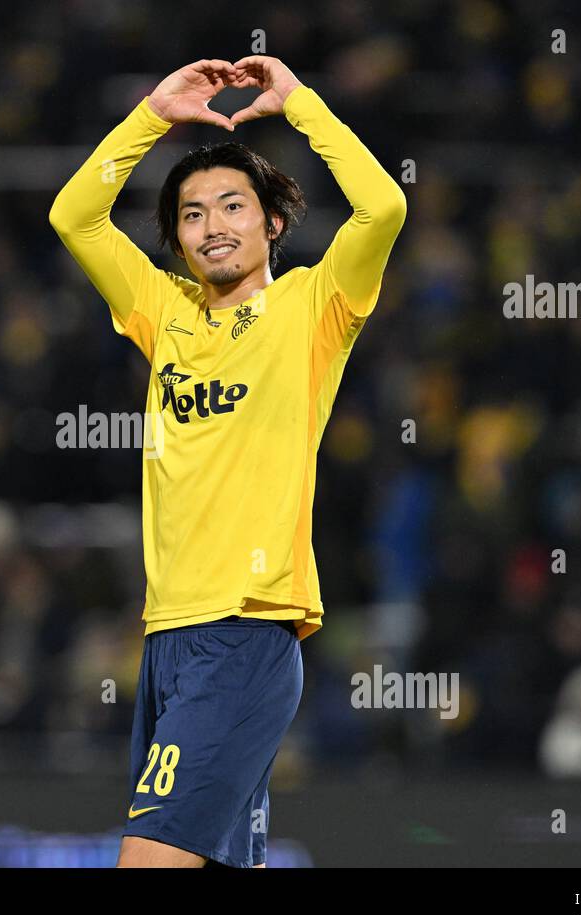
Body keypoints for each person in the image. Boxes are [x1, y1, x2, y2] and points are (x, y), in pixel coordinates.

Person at [49, 56, 405, 867]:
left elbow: (383, 206)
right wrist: (152, 116)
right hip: (166, 637)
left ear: (272, 222)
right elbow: (75, 216)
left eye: (233, 206)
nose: (212, 224)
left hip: (245, 631)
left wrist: (301, 106)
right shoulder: (163, 312)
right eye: (192, 214)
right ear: (175, 240)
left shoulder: (314, 308)